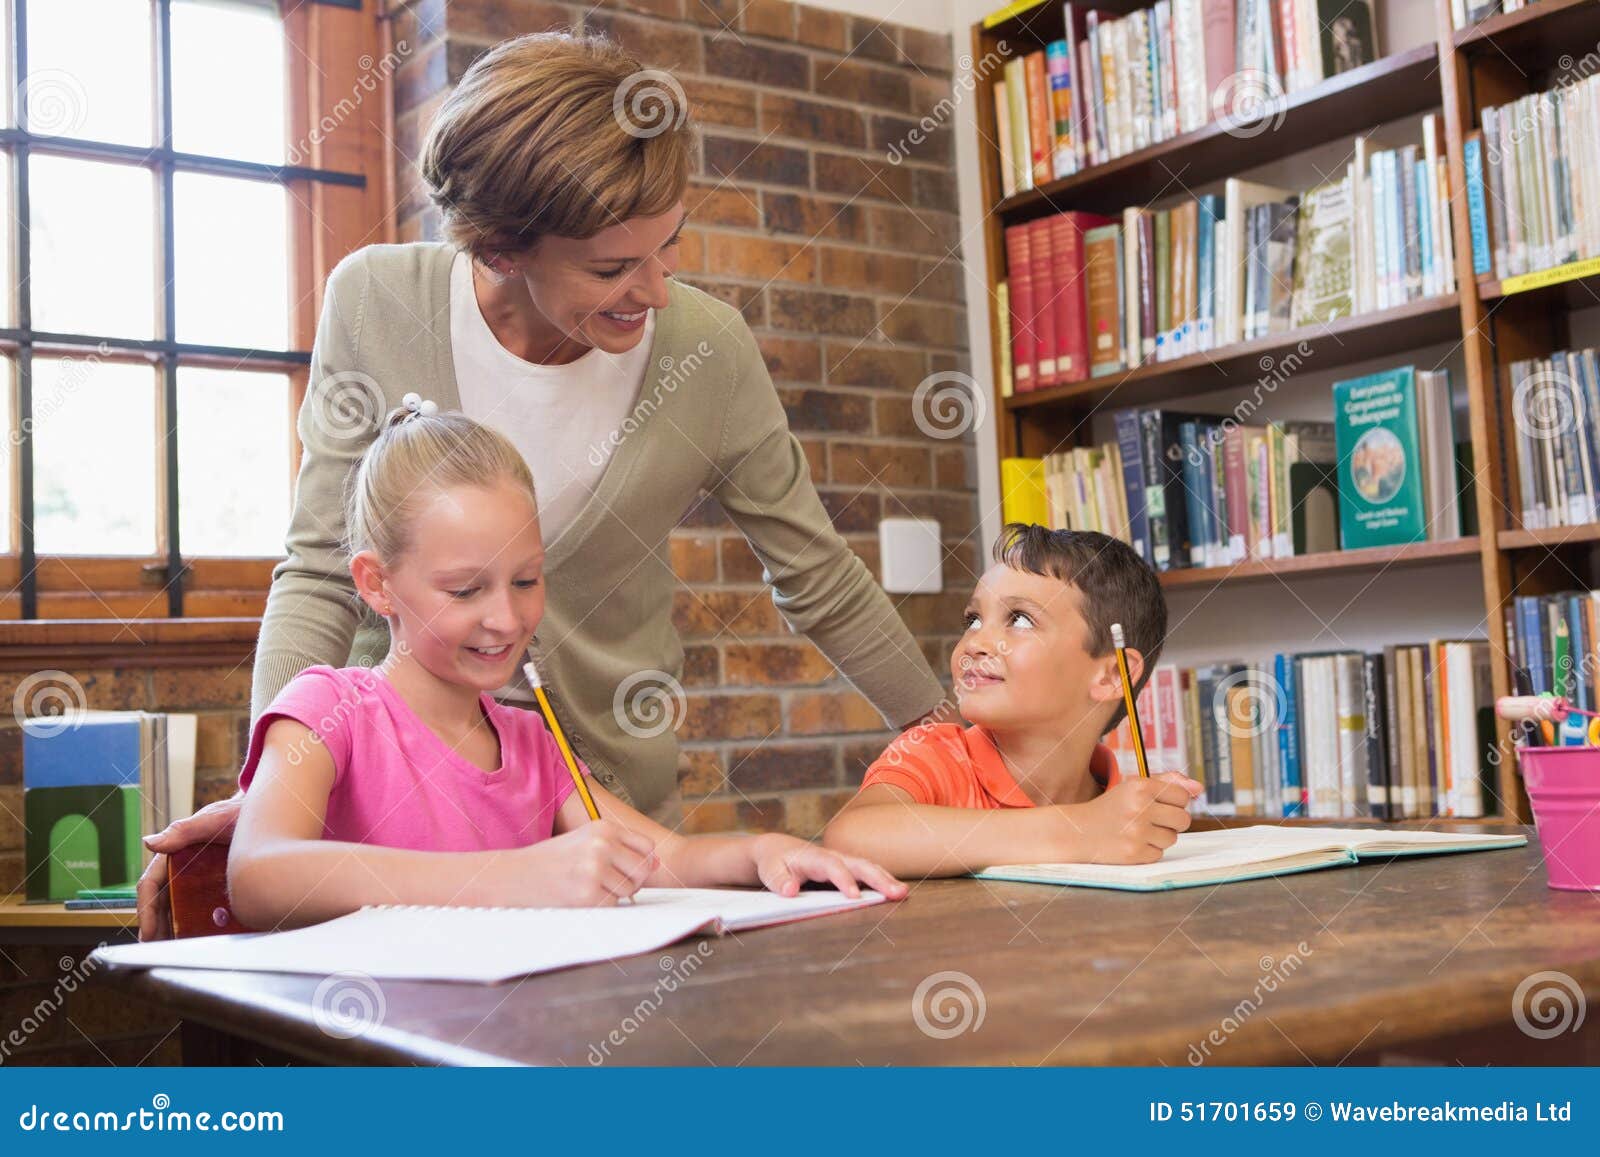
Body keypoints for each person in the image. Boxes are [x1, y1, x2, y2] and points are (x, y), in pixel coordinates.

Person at [138, 32, 946, 938]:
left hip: (602, 819)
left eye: (667, 246)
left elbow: (821, 576)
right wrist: (267, 792)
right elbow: (324, 569)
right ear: (500, 247)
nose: (657, 292)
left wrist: (966, 753)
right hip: (389, 825)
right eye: (611, 268)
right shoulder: (377, 302)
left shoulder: (707, 353)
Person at [823, 524, 1204, 877]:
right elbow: (852, 837)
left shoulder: (1116, 804)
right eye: (973, 619)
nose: (976, 643)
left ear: (1110, 675)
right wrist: (1078, 833)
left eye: (1019, 620)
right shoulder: (934, 755)